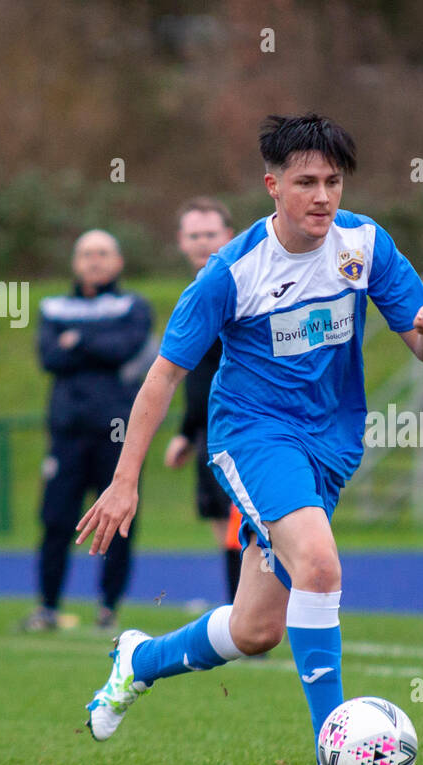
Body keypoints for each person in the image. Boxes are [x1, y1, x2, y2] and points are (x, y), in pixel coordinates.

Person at [75, 114, 423, 765]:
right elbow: (163, 375)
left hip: (331, 444)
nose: (323, 196)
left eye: (333, 181)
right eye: (306, 182)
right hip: (253, 436)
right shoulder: (232, 272)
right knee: (320, 564)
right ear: (272, 185)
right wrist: (124, 479)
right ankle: (333, 752)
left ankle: (138, 660)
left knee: (256, 631)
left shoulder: (365, 245)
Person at [21, 230, 152, 633]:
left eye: (103, 253)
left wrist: (77, 341)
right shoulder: (53, 306)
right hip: (67, 433)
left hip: (116, 435)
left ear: (118, 262)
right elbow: (49, 356)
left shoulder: (133, 305)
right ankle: (47, 608)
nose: (94, 261)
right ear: (75, 262)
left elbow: (125, 348)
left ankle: (108, 609)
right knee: (56, 519)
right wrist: (93, 344)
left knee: (117, 521)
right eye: (86, 254)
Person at [162, 197, 243, 604]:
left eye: (210, 234)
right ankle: (241, 618)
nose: (202, 242)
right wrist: (187, 431)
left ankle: (248, 623)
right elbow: (195, 376)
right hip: (208, 429)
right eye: (194, 235)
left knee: (244, 528)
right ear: (181, 241)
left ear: (228, 236)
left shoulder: (239, 283)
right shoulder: (194, 290)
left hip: (240, 426)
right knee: (224, 527)